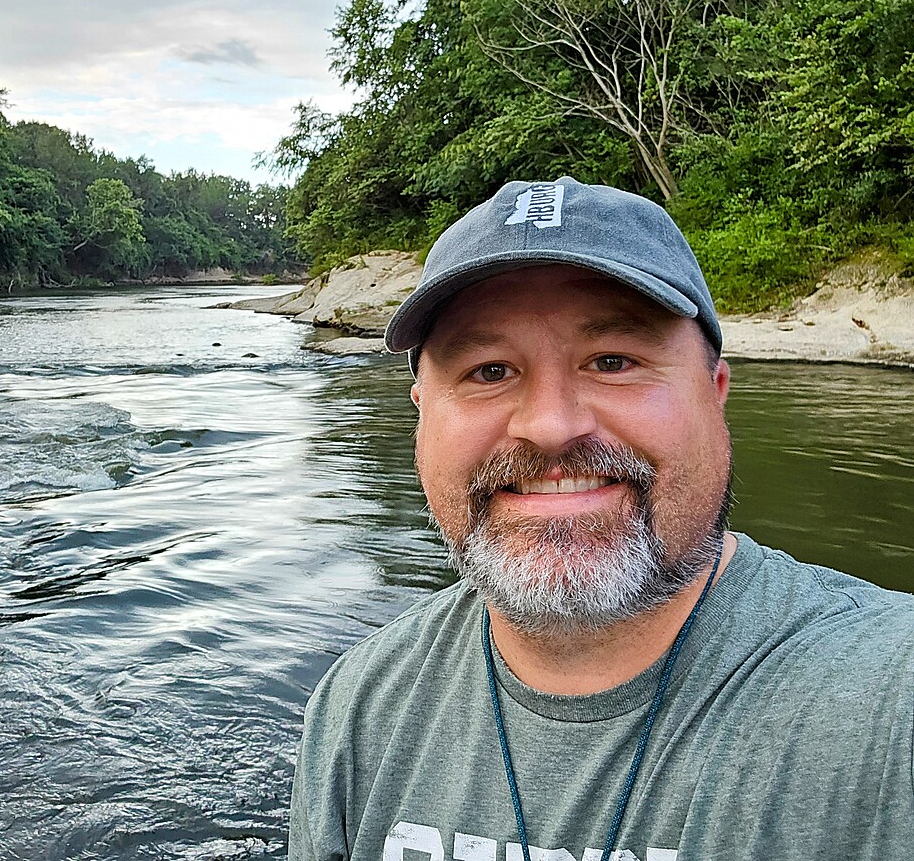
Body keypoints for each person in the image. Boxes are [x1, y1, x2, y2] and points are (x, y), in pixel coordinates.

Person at [288, 177, 914, 861]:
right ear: (422, 414)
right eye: (489, 371)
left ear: (716, 394)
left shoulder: (888, 700)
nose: (551, 427)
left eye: (613, 361)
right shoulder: (359, 711)